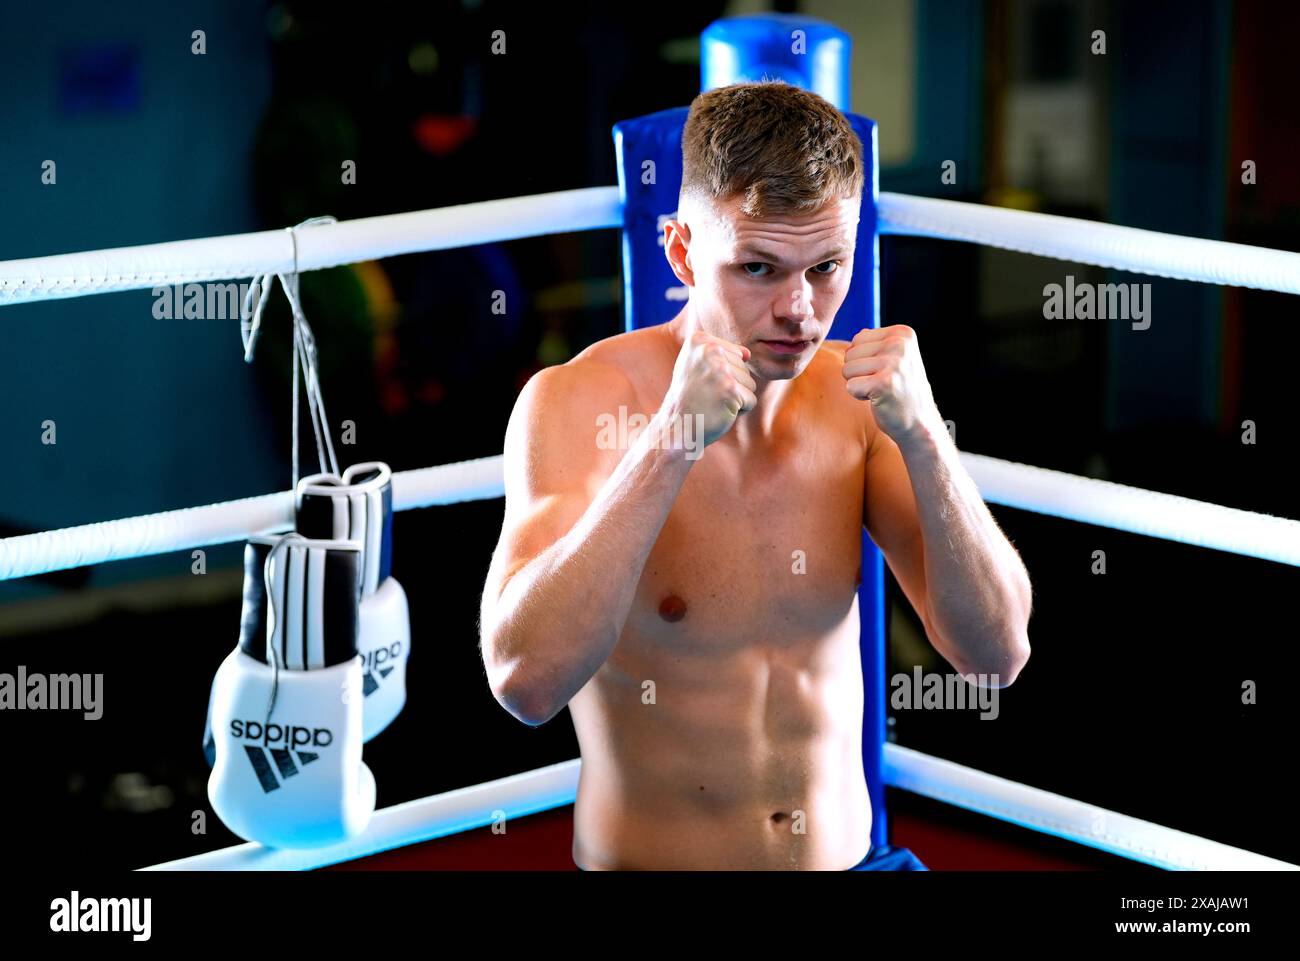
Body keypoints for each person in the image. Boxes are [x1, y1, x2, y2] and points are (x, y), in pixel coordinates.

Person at [479, 80, 1033, 870]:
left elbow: (998, 656)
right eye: (759, 268)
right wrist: (670, 443)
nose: (800, 311)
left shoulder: (859, 405)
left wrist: (926, 441)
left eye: (826, 267)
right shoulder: (577, 403)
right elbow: (524, 681)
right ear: (681, 252)